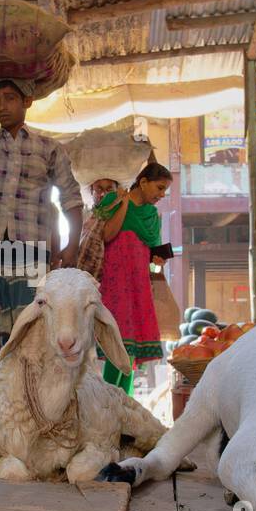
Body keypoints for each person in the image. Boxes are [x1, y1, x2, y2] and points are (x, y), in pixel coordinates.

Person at [0, 77, 83, 370]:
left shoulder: (49, 149)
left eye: (10, 98)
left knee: (27, 333)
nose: (2, 107)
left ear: (27, 102)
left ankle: (26, 397)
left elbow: (72, 200)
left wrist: (71, 246)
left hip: (32, 250)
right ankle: (5, 384)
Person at [96, 162, 173, 395]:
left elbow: (151, 252)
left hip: (139, 284)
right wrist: (124, 203)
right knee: (116, 342)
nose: (162, 195)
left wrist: (158, 260)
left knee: (130, 348)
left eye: (165, 190)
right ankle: (109, 403)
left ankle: (124, 403)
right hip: (113, 283)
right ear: (143, 182)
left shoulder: (152, 215)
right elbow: (107, 235)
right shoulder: (113, 201)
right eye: (159, 188)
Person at [76, 177, 117, 282]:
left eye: (109, 190)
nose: (103, 194)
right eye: (99, 189)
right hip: (80, 278)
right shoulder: (83, 214)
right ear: (91, 191)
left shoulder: (120, 217)